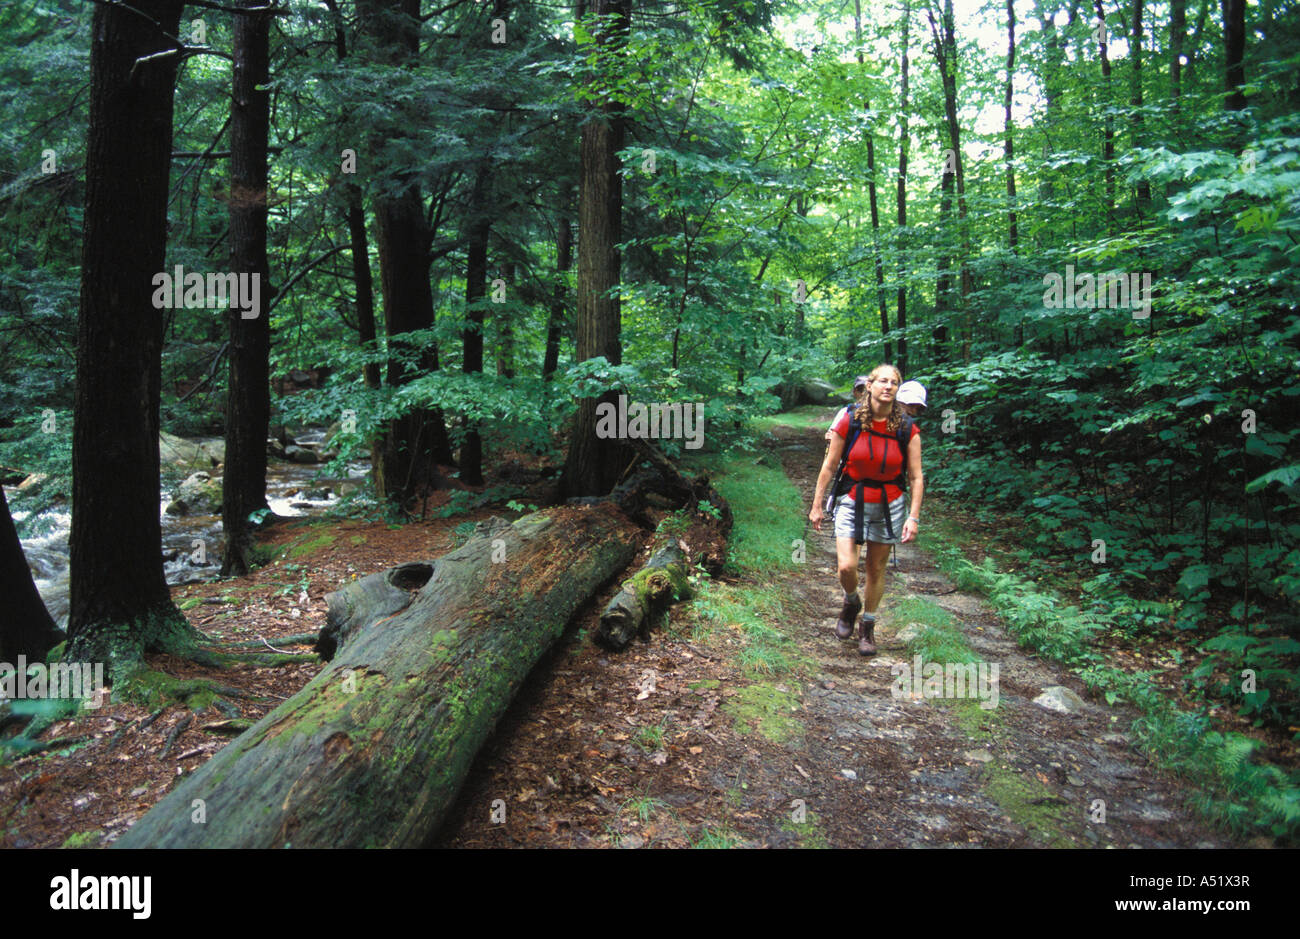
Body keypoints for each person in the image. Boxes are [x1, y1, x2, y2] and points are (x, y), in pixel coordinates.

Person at [809, 364, 924, 655]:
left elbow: (916, 477)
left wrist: (913, 516)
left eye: (893, 383)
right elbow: (830, 465)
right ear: (870, 386)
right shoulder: (850, 420)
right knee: (847, 566)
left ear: (898, 390)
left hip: (891, 503)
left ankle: (868, 626)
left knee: (875, 568)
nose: (887, 386)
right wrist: (817, 504)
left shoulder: (907, 429)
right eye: (882, 381)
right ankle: (851, 601)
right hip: (852, 498)